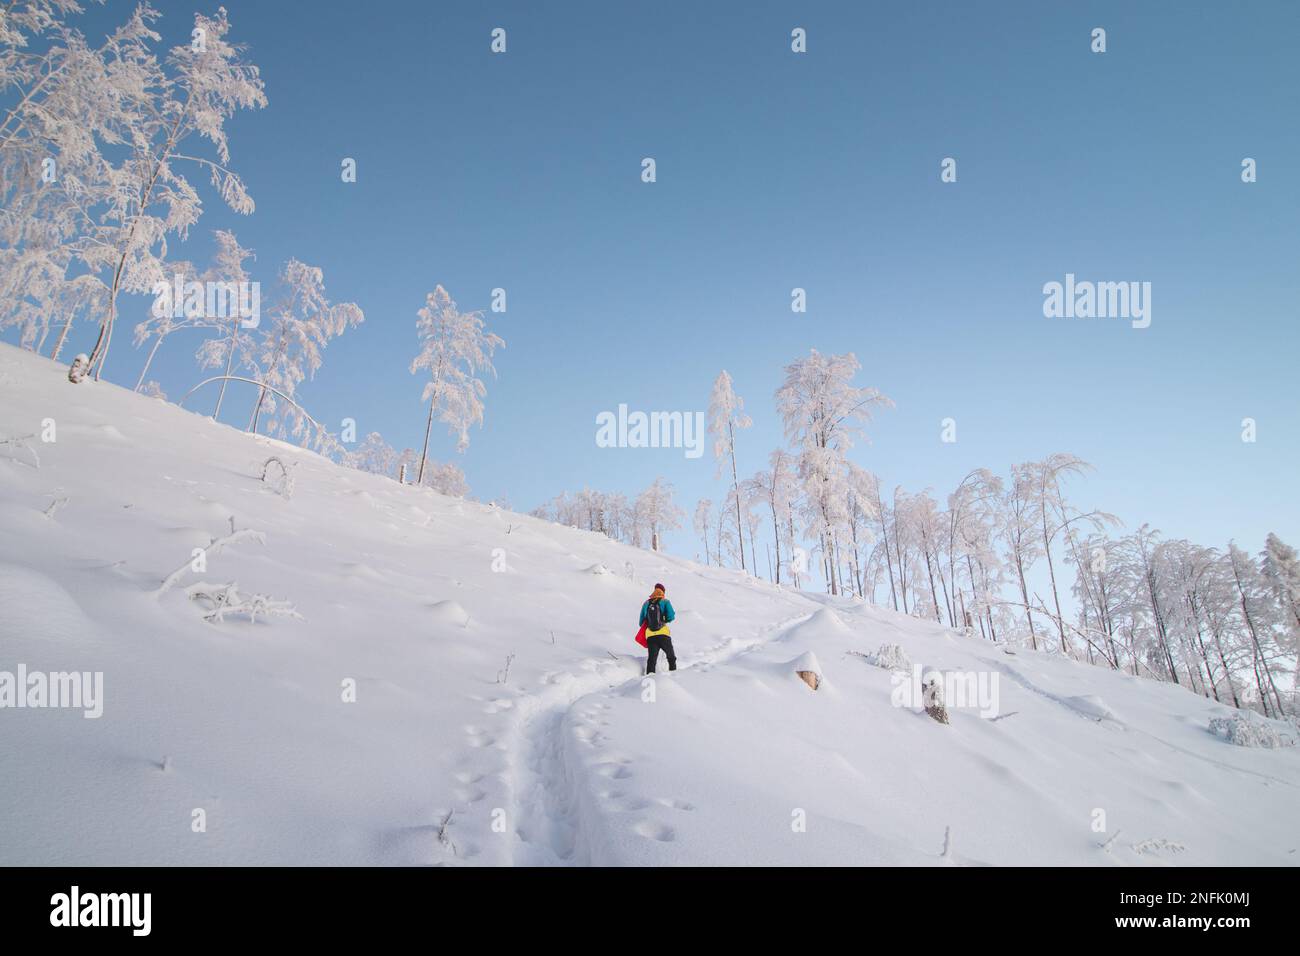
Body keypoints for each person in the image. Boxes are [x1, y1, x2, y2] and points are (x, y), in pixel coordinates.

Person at [639, 582, 677, 674]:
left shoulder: (646, 603)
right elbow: (671, 616)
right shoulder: (665, 601)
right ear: (663, 592)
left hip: (650, 636)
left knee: (652, 660)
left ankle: (649, 679)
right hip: (663, 634)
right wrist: (664, 621)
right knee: (671, 657)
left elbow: (641, 623)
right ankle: (674, 675)